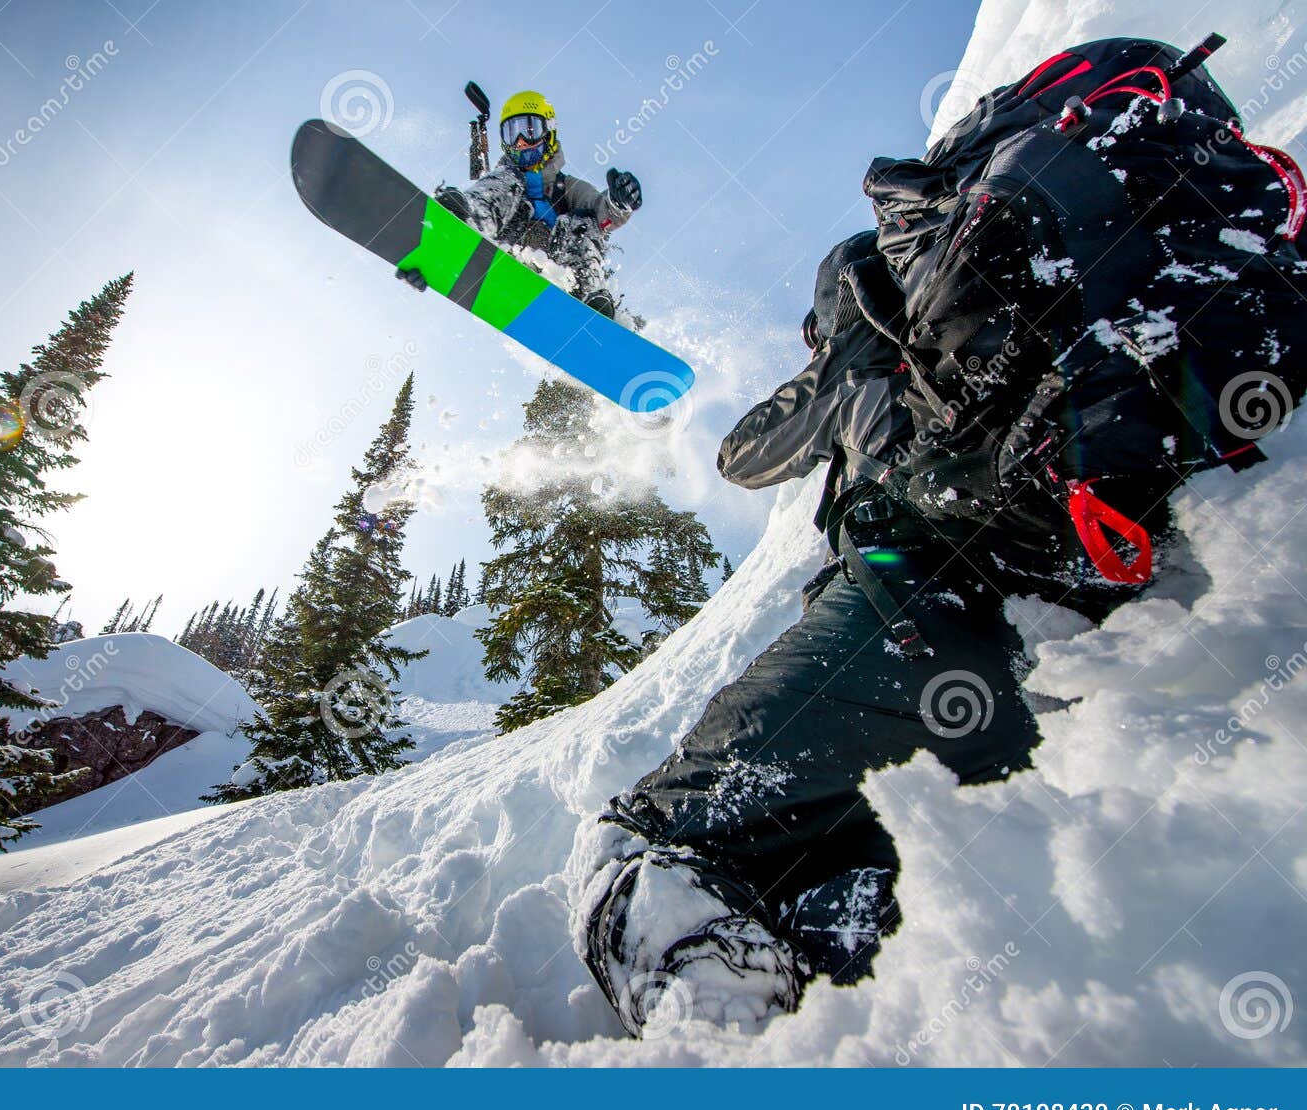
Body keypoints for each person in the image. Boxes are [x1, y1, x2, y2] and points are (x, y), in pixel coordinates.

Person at [576, 231, 1095, 1036]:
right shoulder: (1034, 321)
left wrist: (801, 375)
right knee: (830, 884)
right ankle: (823, 1017)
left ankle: (715, 1064)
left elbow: (741, 456)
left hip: (910, 623)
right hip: (1040, 679)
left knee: (638, 857)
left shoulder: (863, 344)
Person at [412, 90, 642, 318]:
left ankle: (588, 299)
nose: (521, 142)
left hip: (563, 276)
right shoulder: (506, 181)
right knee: (509, 179)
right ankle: (467, 225)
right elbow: (494, 188)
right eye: (512, 133)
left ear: (548, 132)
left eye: (529, 130)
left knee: (583, 220)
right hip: (508, 260)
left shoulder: (568, 187)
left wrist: (619, 202)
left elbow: (602, 215)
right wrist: (427, 261)